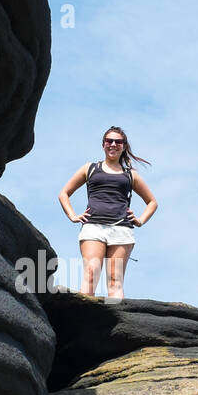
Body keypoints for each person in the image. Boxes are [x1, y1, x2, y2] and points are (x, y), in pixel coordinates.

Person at [58, 126, 158, 299]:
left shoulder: (130, 174)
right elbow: (64, 193)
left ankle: (119, 324)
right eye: (109, 141)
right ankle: (85, 320)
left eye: (118, 142)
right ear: (103, 144)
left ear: (124, 146)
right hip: (93, 227)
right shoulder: (90, 168)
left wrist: (140, 220)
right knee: (90, 273)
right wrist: (73, 216)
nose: (113, 144)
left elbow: (152, 202)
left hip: (121, 230)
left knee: (114, 281)